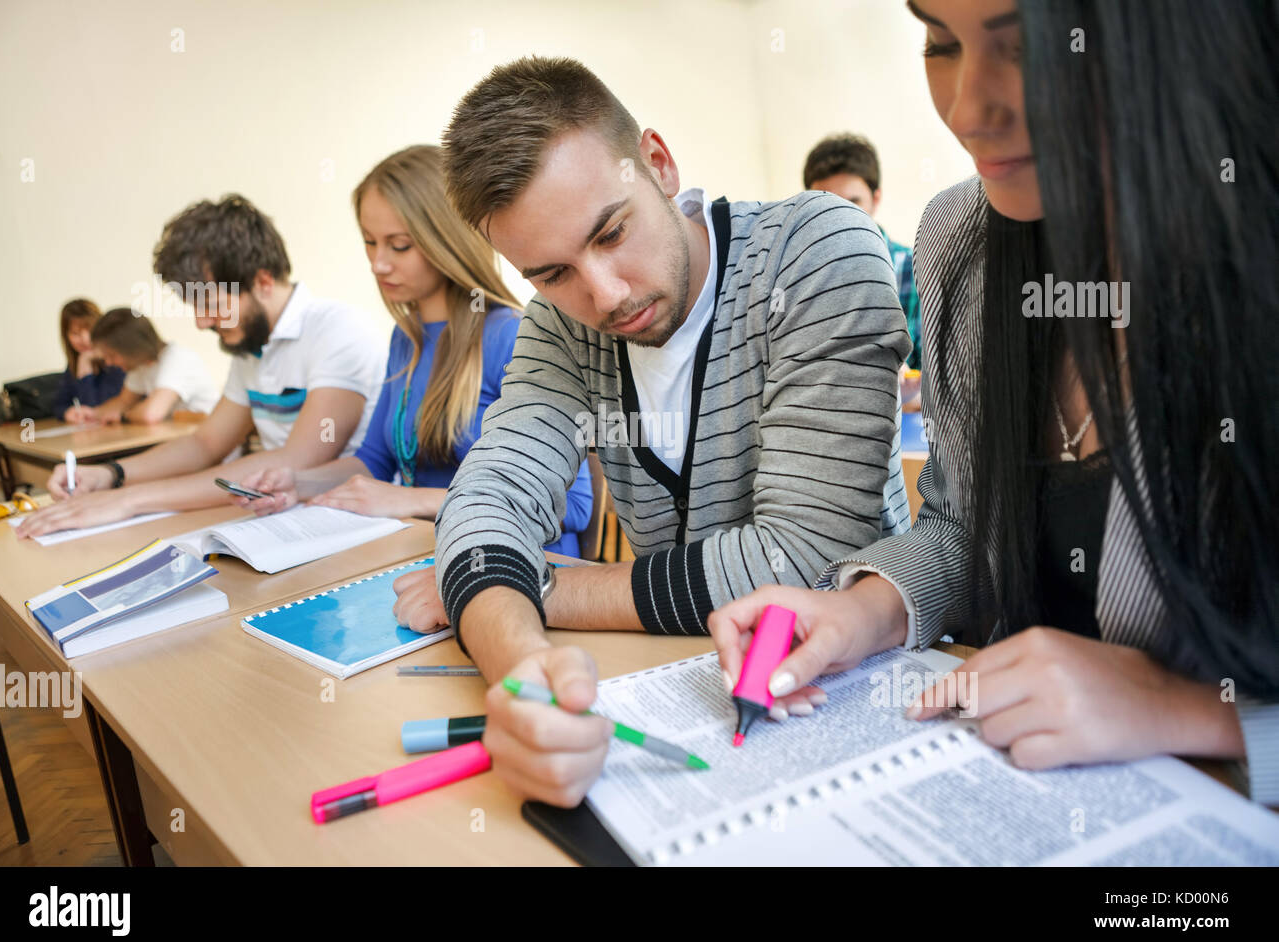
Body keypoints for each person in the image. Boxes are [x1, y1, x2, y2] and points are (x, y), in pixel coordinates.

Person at [710, 0, 1279, 806]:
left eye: (1033, 47)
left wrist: (1182, 708)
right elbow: (963, 526)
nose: (969, 111)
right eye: (940, 42)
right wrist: (862, 614)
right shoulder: (961, 240)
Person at [400, 56, 912, 807]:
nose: (603, 295)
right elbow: (486, 505)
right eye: (551, 274)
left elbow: (803, 558)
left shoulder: (816, 248)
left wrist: (540, 585)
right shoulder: (559, 326)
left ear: (660, 166)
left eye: (611, 232)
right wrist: (520, 666)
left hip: (853, 700)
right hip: (685, 693)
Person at [236, 145, 592, 557]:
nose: (378, 263)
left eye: (399, 245)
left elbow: (576, 507)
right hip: (425, 551)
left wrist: (410, 500)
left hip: (515, 564)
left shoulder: (515, 337)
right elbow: (374, 460)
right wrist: (298, 483)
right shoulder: (406, 338)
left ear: (446, 239)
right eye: (370, 242)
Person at [17, 195, 384, 538]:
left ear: (262, 282)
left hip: (357, 522)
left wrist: (130, 499)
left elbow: (299, 459)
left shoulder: (337, 330)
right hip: (291, 516)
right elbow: (205, 443)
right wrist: (111, 475)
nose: (202, 322)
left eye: (210, 303)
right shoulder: (252, 348)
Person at [804, 133, 922, 406]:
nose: (840, 217)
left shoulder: (915, 269)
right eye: (825, 204)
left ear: (875, 199)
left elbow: (942, 383)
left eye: (853, 202)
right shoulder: (795, 276)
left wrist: (906, 389)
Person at [72, 308, 218, 424]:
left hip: (210, 445)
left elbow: (151, 414)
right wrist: (92, 413)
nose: (109, 363)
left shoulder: (177, 359)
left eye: (112, 356)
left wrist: (123, 416)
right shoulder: (141, 365)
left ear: (132, 348)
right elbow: (124, 401)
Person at [52, 298, 125, 422]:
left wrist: (85, 371)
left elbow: (96, 409)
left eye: (90, 331)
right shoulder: (75, 364)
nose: (85, 340)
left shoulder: (117, 361)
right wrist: (66, 412)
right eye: (75, 333)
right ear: (66, 337)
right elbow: (58, 405)